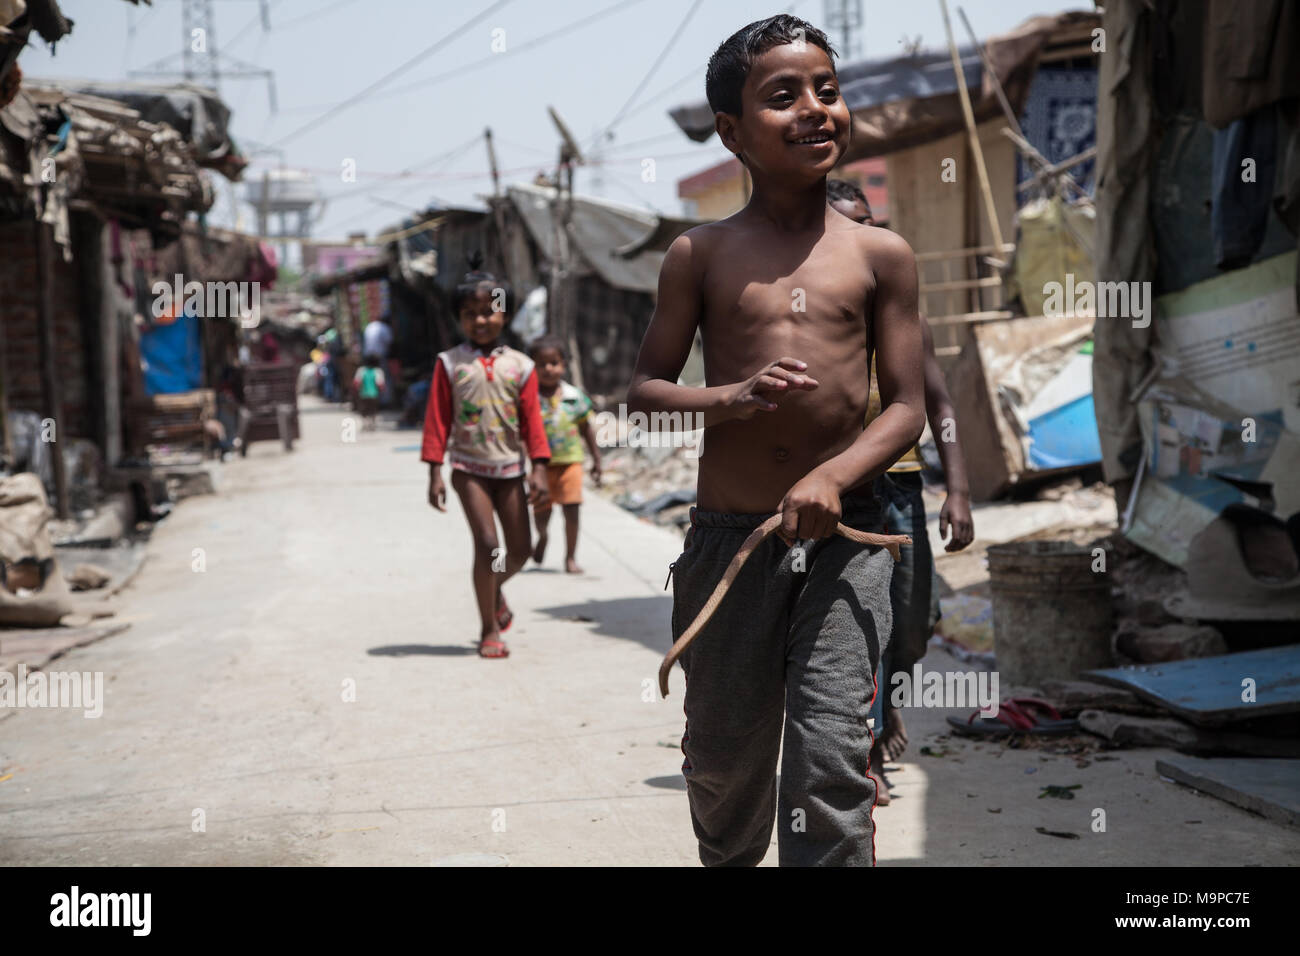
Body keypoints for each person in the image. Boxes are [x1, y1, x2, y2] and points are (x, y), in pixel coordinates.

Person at [627, 14, 925, 867]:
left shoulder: (881, 255)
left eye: (827, 90)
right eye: (784, 95)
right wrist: (731, 398)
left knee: (832, 760)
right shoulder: (700, 253)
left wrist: (833, 476)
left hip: (846, 539)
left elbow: (906, 407)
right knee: (724, 765)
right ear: (731, 131)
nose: (815, 109)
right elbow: (644, 398)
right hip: (733, 544)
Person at [828, 179, 976, 804]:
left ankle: (888, 710)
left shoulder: (906, 314)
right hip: (843, 490)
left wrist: (958, 489)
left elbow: (939, 405)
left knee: (912, 624)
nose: (864, 236)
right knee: (858, 625)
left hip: (903, 487)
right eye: (849, 225)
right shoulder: (814, 314)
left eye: (869, 222)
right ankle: (862, 752)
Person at [421, 257, 550, 658]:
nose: (480, 321)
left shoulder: (521, 366)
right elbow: (438, 419)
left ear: (504, 314)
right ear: (460, 318)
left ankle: (492, 591)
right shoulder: (450, 363)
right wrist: (435, 472)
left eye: (488, 312)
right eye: (470, 314)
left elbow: (532, 422)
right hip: (468, 469)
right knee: (489, 544)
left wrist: (539, 469)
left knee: (521, 550)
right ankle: (488, 628)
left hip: (510, 469)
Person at [528, 335, 603, 573]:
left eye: (554, 363)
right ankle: (542, 536)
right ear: (533, 367)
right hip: (540, 466)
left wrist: (597, 459)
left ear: (563, 365)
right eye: (542, 364)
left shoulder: (574, 397)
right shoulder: (529, 398)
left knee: (572, 510)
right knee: (541, 514)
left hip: (570, 462)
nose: (548, 369)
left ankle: (570, 557)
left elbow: (586, 429)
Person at [353, 353, 386, 431]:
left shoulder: (361, 370)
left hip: (363, 394)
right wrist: (382, 391)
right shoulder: (378, 371)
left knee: (364, 410)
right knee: (373, 409)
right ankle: (372, 423)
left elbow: (356, 382)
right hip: (374, 394)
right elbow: (380, 384)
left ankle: (365, 423)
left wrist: (356, 391)